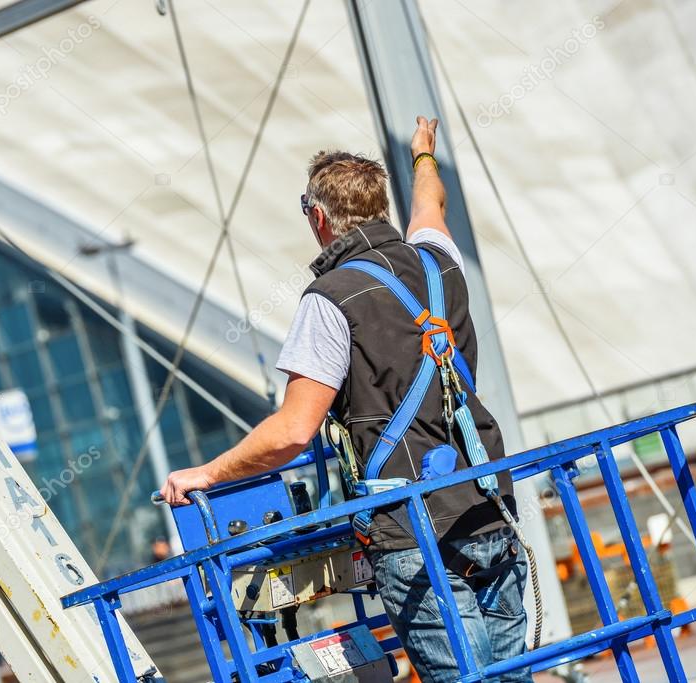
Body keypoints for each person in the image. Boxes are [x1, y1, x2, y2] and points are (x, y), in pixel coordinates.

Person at [160, 117, 531, 682]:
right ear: (381, 207)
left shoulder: (329, 300)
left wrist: (208, 473)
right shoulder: (439, 261)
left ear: (318, 217)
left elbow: (293, 431)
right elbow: (431, 206)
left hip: (413, 528)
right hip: (486, 509)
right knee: (510, 678)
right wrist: (422, 155)